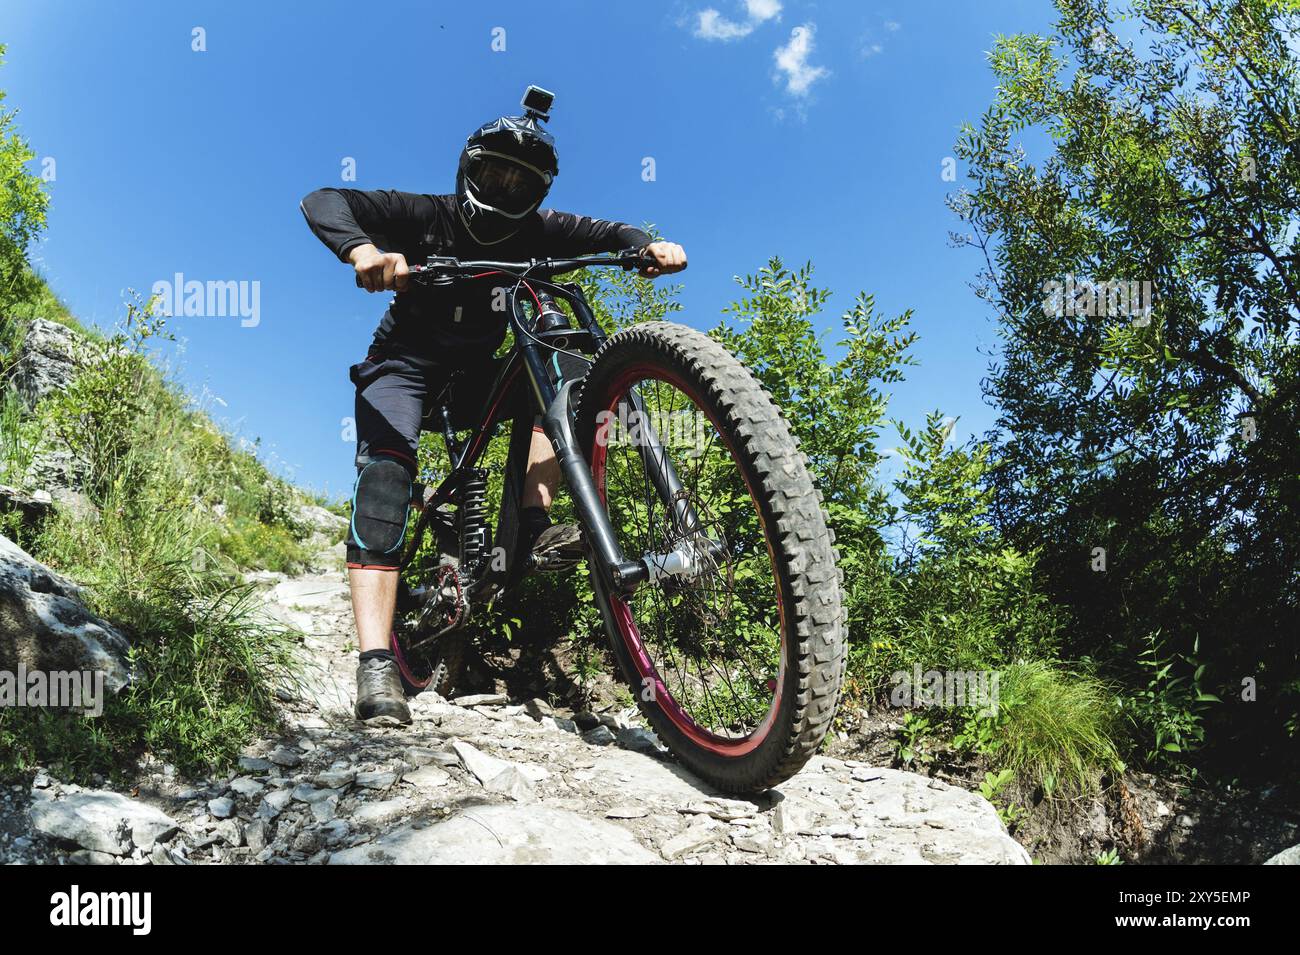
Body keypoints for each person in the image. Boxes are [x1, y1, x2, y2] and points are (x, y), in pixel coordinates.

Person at [300, 89, 687, 725]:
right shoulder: (425, 214)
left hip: (479, 378)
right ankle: (375, 660)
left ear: (537, 191)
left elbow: (612, 231)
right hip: (403, 368)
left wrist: (648, 244)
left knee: (566, 387)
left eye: (520, 182)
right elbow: (325, 199)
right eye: (493, 174)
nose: (505, 189)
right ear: (467, 170)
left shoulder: (540, 230)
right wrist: (362, 251)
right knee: (387, 474)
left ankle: (532, 530)